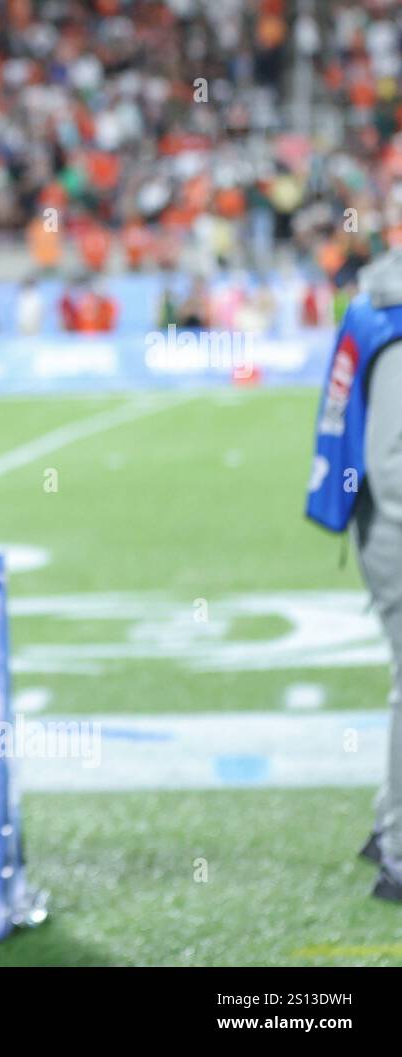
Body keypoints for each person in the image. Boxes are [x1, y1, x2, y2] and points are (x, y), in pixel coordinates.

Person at [306, 247, 402, 902]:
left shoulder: (384, 294)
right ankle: (398, 849)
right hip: (392, 521)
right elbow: (392, 458)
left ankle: (387, 825)